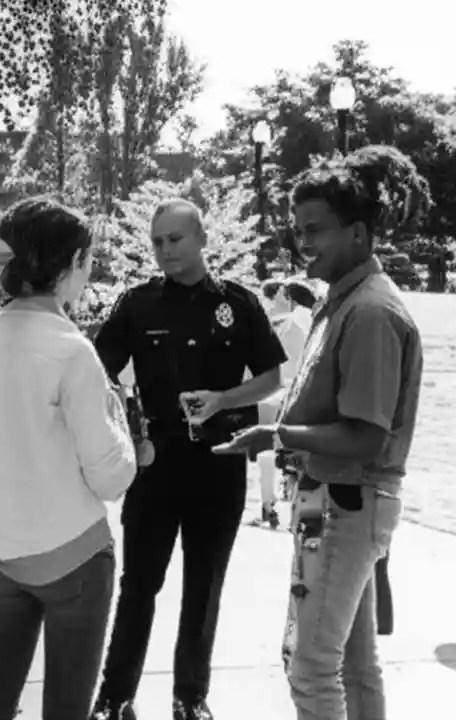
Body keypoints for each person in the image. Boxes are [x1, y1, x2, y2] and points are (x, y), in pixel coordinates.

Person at [213, 145, 426, 720]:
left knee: (309, 668)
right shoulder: (343, 301)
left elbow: (364, 438)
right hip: (334, 503)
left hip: (345, 505)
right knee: (353, 668)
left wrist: (279, 436)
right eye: (298, 228)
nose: (302, 241)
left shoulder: (371, 313)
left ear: (357, 233)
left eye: (317, 230)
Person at [85, 198, 287, 720]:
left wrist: (223, 400)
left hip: (220, 463)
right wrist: (124, 422)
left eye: (175, 239)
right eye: (156, 242)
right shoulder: (136, 304)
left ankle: (190, 698)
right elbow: (96, 371)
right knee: (140, 584)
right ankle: (115, 696)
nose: (165, 250)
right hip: (157, 465)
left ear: (201, 239)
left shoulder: (238, 304)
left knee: (205, 586)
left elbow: (271, 378)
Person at [0, 197, 137, 720]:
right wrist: (122, 422)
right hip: (74, 557)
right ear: (72, 264)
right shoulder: (73, 350)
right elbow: (111, 478)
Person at [253, 278, 318, 528]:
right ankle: (293, 510)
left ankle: (268, 504)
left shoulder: (276, 323)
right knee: (294, 455)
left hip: (271, 394)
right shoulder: (309, 324)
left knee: (266, 451)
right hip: (298, 395)